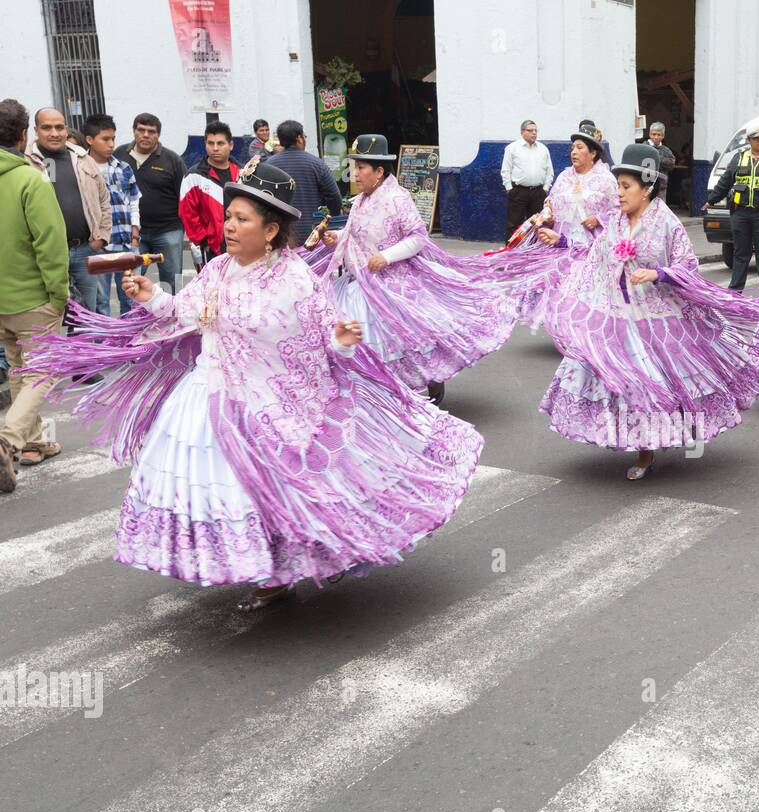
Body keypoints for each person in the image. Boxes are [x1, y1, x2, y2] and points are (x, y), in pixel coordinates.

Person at [29, 160, 483, 611]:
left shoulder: (296, 279)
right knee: (224, 490)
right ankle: (256, 566)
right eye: (229, 216)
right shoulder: (218, 269)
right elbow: (187, 312)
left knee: (279, 486)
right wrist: (152, 299)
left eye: (241, 219)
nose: (228, 225)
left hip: (274, 403)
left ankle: (291, 565)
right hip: (211, 395)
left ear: (270, 231)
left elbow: (324, 336)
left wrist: (342, 341)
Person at [535, 144, 759, 480]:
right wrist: (562, 241)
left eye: (626, 187)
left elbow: (689, 265)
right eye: (618, 186)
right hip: (619, 317)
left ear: (647, 187)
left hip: (659, 322)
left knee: (651, 384)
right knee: (619, 382)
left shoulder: (667, 225)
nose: (619, 194)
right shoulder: (616, 222)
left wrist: (659, 274)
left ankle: (646, 451)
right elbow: (594, 253)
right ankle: (640, 444)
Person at [319, 135, 513, 405]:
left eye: (361, 167)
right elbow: (357, 233)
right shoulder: (361, 200)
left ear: (378, 171)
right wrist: (338, 237)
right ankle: (381, 396)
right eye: (355, 166)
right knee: (367, 344)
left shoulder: (398, 199)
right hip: (361, 285)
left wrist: (386, 256)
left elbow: (417, 237)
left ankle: (426, 384)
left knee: (406, 341)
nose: (356, 173)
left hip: (392, 284)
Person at [477, 120, 619, 327]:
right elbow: (549, 201)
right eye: (573, 148)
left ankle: (582, 326)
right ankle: (563, 326)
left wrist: (598, 219)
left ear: (593, 153)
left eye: (580, 148)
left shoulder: (606, 180)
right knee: (557, 283)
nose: (574, 152)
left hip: (589, 244)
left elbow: (618, 210)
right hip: (558, 241)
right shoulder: (564, 176)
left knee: (581, 285)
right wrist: (547, 214)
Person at [0, 98, 69, 491]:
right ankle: (9, 440)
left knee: (18, 369)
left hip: (2, 302)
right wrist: (58, 296)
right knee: (42, 371)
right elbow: (50, 244)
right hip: (33, 298)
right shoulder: (30, 179)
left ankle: (33, 442)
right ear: (25, 136)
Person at [25, 107, 110, 312]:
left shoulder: (82, 158)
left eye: (59, 127)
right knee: (49, 314)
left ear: (66, 129)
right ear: (36, 130)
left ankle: (83, 345)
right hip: (47, 255)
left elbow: (104, 199)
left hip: (84, 250)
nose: (54, 133)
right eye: (47, 128)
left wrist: (101, 238)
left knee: (85, 316)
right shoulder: (27, 162)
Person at [704, 124, 759, 290]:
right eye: (756, 138)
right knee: (740, 253)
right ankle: (735, 290)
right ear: (749, 141)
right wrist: (712, 200)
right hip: (741, 213)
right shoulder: (739, 158)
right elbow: (726, 180)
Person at [113, 112, 186, 294]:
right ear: (134, 131)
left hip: (168, 231)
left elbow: (185, 197)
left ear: (158, 135)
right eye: (141, 130)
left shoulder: (172, 160)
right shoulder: (119, 155)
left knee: (172, 282)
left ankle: (171, 318)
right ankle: (135, 320)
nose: (145, 135)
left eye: (151, 131)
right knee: (131, 284)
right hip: (134, 233)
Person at [82, 113, 141, 314]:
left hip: (125, 243)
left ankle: (129, 343)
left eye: (113, 139)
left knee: (131, 299)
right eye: (105, 139)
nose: (111, 144)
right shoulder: (81, 170)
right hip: (100, 246)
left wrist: (135, 236)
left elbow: (134, 202)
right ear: (89, 140)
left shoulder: (123, 168)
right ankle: (104, 344)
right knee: (101, 303)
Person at [265, 120, 343, 244]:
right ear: (299, 138)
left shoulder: (269, 166)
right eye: (304, 136)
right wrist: (332, 217)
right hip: (309, 235)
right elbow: (334, 196)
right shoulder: (317, 164)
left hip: (277, 234)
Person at [180, 120, 240, 269]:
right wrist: (203, 240)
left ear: (230, 145)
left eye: (220, 143)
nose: (215, 148)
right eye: (210, 143)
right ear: (205, 144)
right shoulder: (194, 176)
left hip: (241, 241)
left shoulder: (242, 173)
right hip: (212, 247)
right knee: (214, 288)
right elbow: (187, 212)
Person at [500, 119, 554, 239]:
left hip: (538, 192)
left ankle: (534, 250)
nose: (534, 133)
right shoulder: (512, 148)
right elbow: (506, 170)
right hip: (518, 192)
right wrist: (509, 189)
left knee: (538, 224)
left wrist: (545, 188)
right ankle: (512, 251)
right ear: (522, 132)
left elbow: (549, 171)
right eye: (530, 130)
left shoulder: (543, 149)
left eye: (535, 130)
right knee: (514, 224)